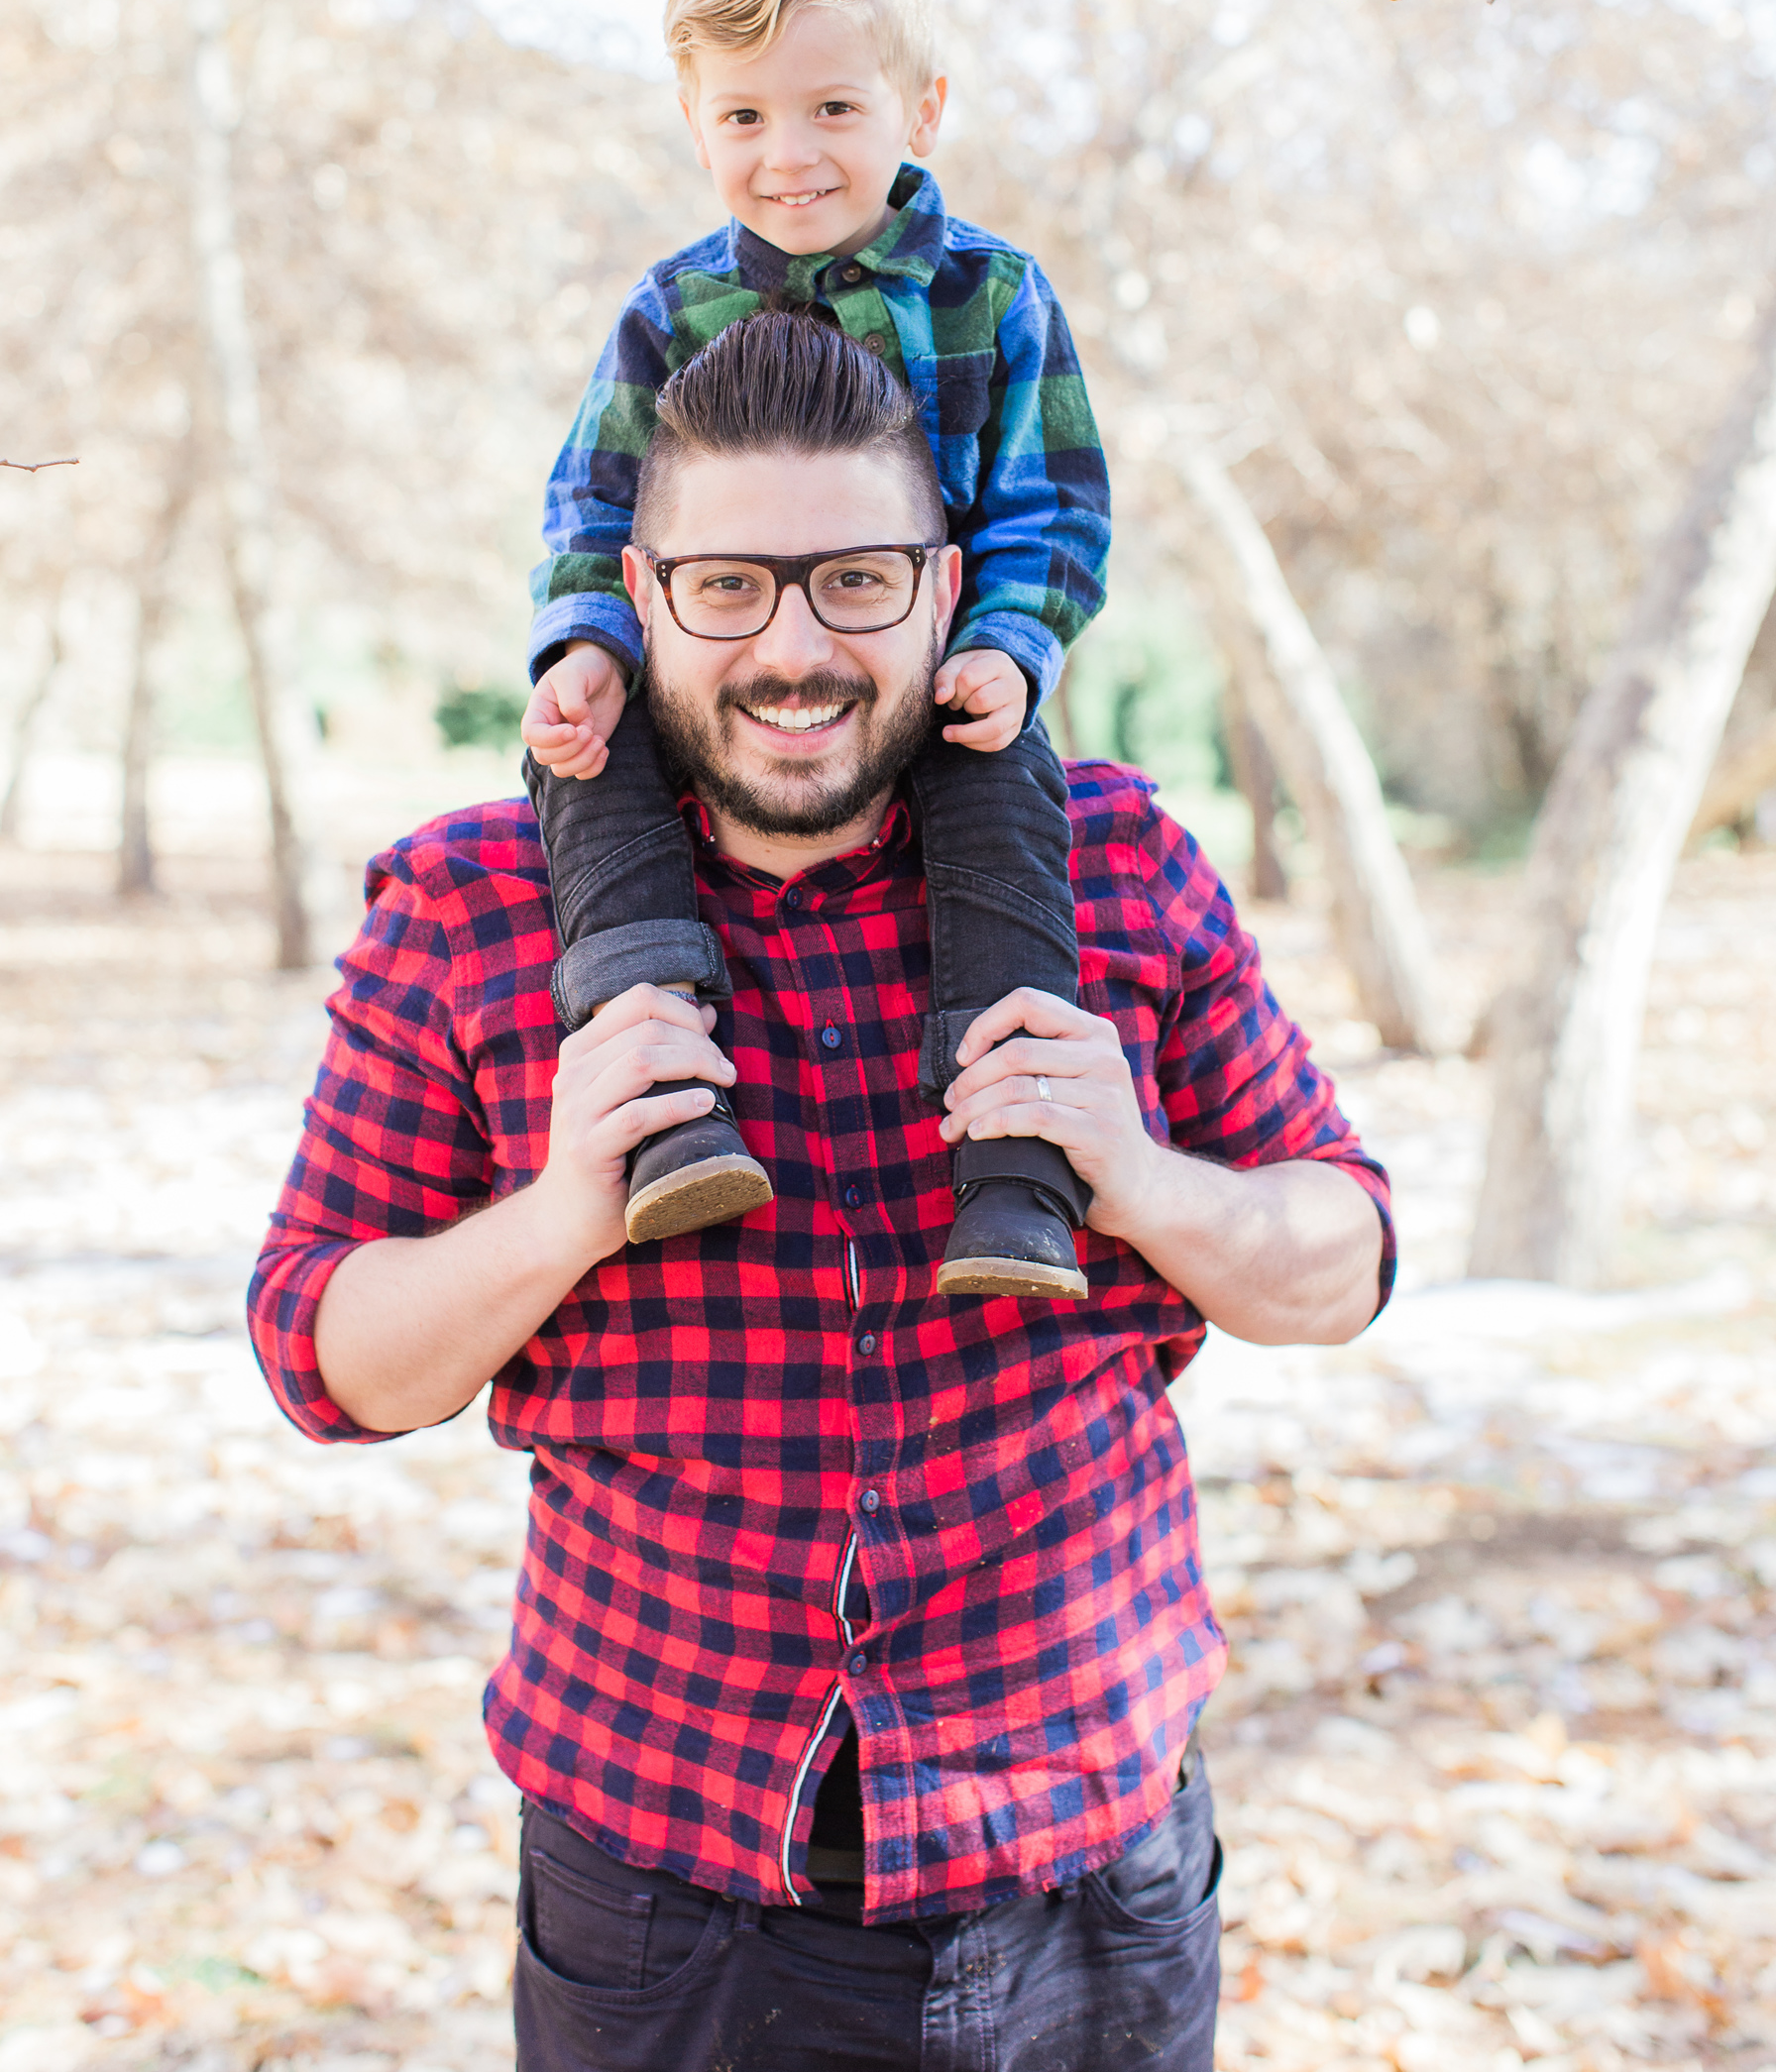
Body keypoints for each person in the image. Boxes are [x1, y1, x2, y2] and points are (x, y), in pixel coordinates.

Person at [247, 310, 1394, 2072]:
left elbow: (1347, 1257)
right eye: (728, 589)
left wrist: (1145, 1179)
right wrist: (565, 1203)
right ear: (635, 591)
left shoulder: (1122, 876)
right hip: (667, 1894)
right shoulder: (474, 909)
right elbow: (325, 1362)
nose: (794, 647)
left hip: (1090, 1872)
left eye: (855, 580)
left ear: (950, 591)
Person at [518, 0, 1110, 1300]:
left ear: (922, 109)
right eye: (744, 118)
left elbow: (1055, 505)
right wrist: (590, 641)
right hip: (715, 678)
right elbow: (597, 513)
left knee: (1004, 813)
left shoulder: (991, 295)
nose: (788, 157)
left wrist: (1008, 648)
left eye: (833, 110)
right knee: (583, 770)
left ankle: (1018, 1172)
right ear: (695, 121)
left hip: (923, 683)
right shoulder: (668, 313)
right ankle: (668, 1100)